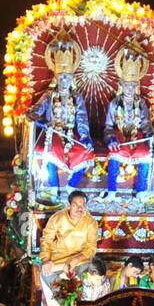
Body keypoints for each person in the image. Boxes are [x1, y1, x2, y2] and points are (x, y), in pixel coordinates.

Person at [30, 33, 94, 189]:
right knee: (50, 150)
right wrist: (34, 114)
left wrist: (85, 137)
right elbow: (38, 109)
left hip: (72, 134)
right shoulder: (49, 95)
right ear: (56, 78)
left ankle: (71, 187)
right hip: (53, 133)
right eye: (61, 77)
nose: (64, 81)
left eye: (67, 77)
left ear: (72, 78)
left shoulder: (77, 97)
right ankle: (52, 188)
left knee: (87, 152)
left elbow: (82, 119)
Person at [104, 44, 154, 192]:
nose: (129, 90)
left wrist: (151, 135)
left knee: (145, 155)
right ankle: (112, 192)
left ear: (136, 87)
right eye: (126, 86)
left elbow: (146, 124)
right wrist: (111, 139)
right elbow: (108, 127)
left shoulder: (141, 103)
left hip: (136, 137)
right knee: (114, 154)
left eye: (132, 86)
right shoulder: (114, 104)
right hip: (119, 137)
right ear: (122, 86)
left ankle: (141, 191)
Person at [38, 191, 99, 285]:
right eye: (75, 205)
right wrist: (46, 260)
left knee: (90, 279)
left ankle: (82, 297)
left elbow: (91, 248)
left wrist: (77, 259)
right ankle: (63, 296)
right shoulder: (57, 218)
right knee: (49, 277)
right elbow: (46, 240)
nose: (80, 208)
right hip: (58, 260)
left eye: (83, 205)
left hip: (80, 261)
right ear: (69, 205)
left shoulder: (91, 222)